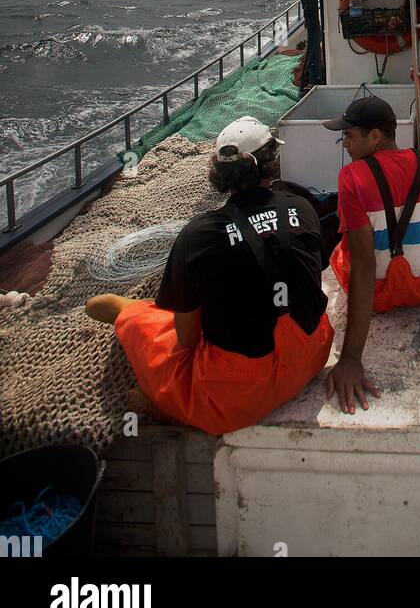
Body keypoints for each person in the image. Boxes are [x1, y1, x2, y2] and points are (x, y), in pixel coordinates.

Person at [85, 116, 333, 436]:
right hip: (309, 356)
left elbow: (187, 340)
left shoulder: (197, 236)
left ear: (220, 173)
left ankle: (129, 316)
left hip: (236, 399)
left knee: (157, 331)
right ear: (271, 163)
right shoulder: (301, 207)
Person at [322, 96, 420, 416]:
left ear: (375, 136)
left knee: (340, 251)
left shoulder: (351, 178)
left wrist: (350, 359)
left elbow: (362, 266)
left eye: (349, 135)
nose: (344, 143)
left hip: (380, 295)